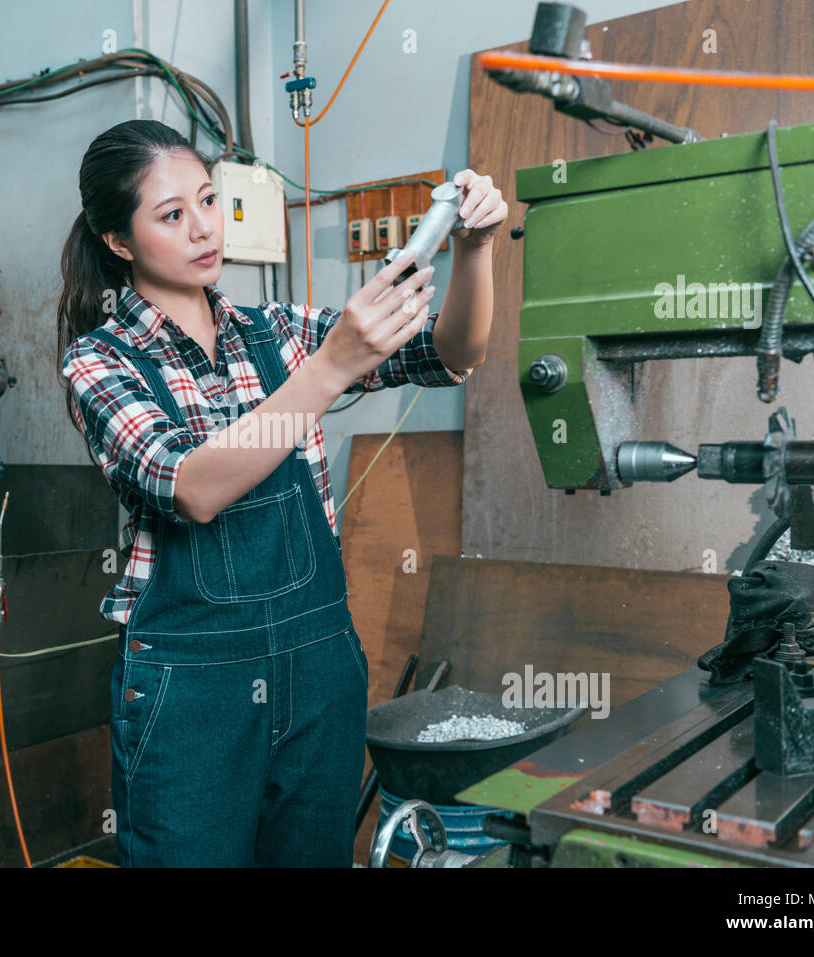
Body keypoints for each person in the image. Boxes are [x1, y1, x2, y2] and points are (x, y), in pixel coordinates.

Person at [56, 118, 504, 867]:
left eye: (208, 200)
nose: (203, 229)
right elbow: (190, 486)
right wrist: (329, 369)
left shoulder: (278, 332)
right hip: (191, 694)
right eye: (171, 215)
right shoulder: (100, 361)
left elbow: (453, 351)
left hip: (317, 669)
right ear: (118, 241)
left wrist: (475, 247)